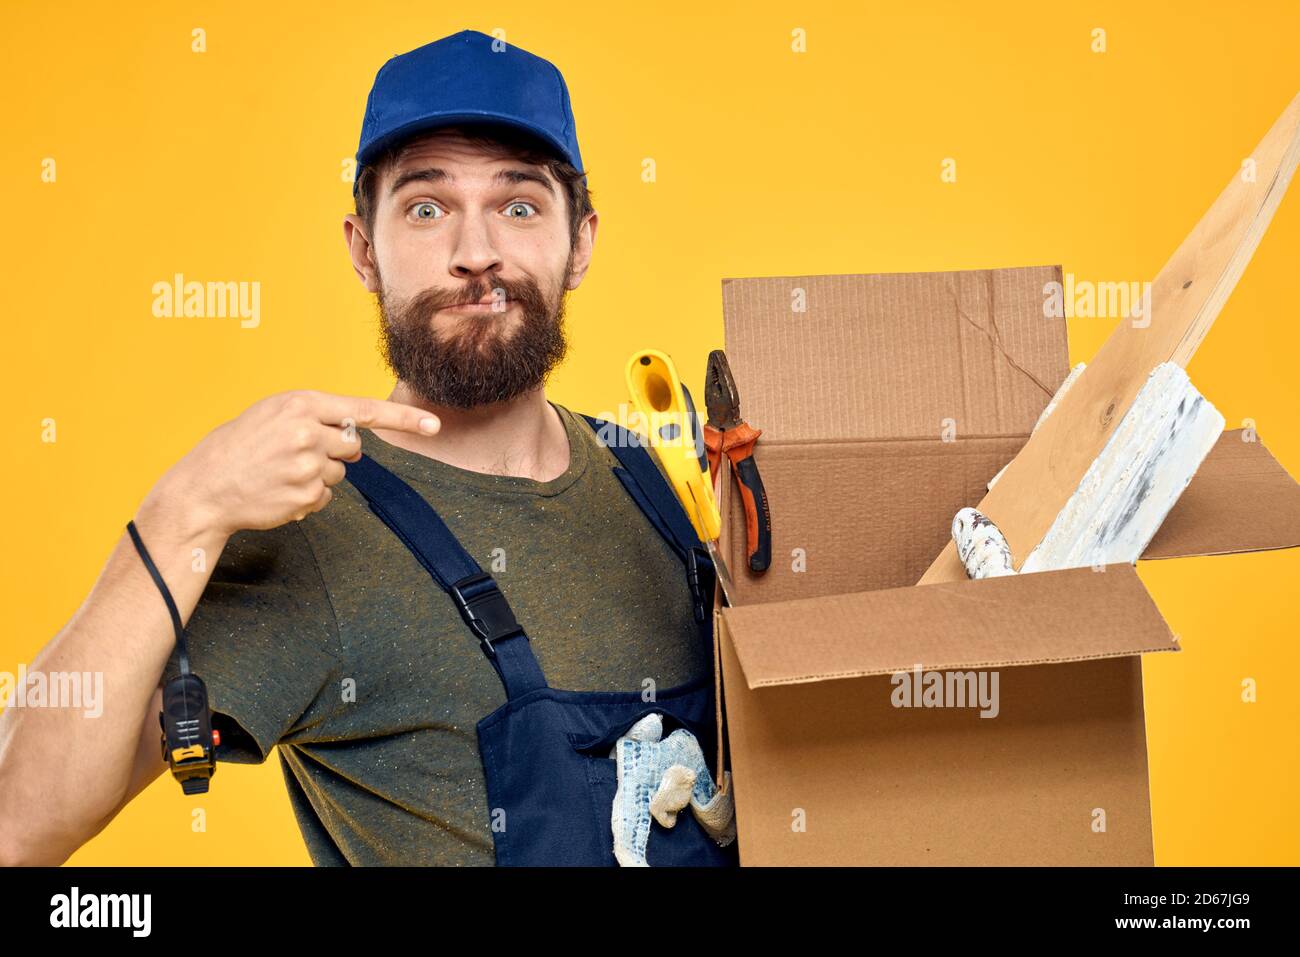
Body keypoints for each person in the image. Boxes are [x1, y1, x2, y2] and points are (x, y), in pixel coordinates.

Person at [0, 29, 736, 867]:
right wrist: (181, 514)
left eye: (519, 205)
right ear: (362, 249)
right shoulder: (314, 533)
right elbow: (17, 825)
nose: (476, 253)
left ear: (583, 243)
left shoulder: (656, 482)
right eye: (427, 209)